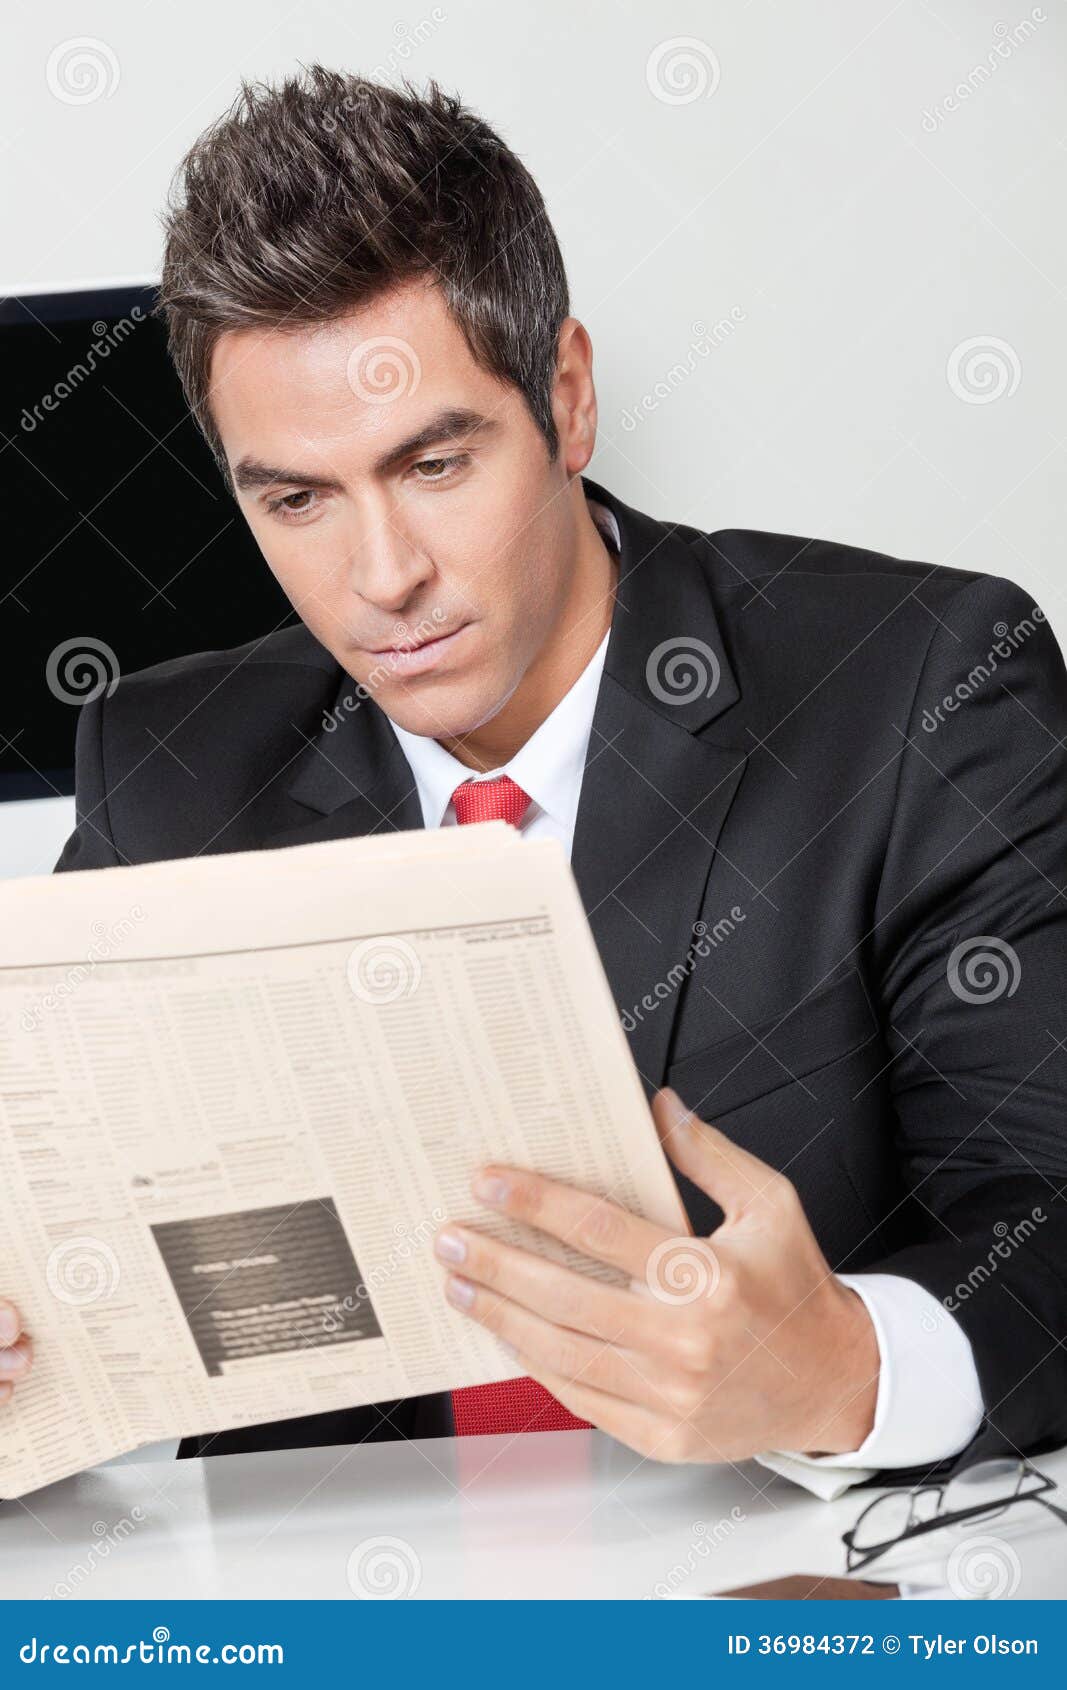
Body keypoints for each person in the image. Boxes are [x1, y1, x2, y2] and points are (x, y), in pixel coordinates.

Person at [6, 67, 1065, 1500]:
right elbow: (58, 1240)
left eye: (434, 462)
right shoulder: (168, 772)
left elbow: (1049, 1218)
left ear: (564, 400)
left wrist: (844, 1368)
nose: (383, 579)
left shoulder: (916, 688)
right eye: (296, 499)